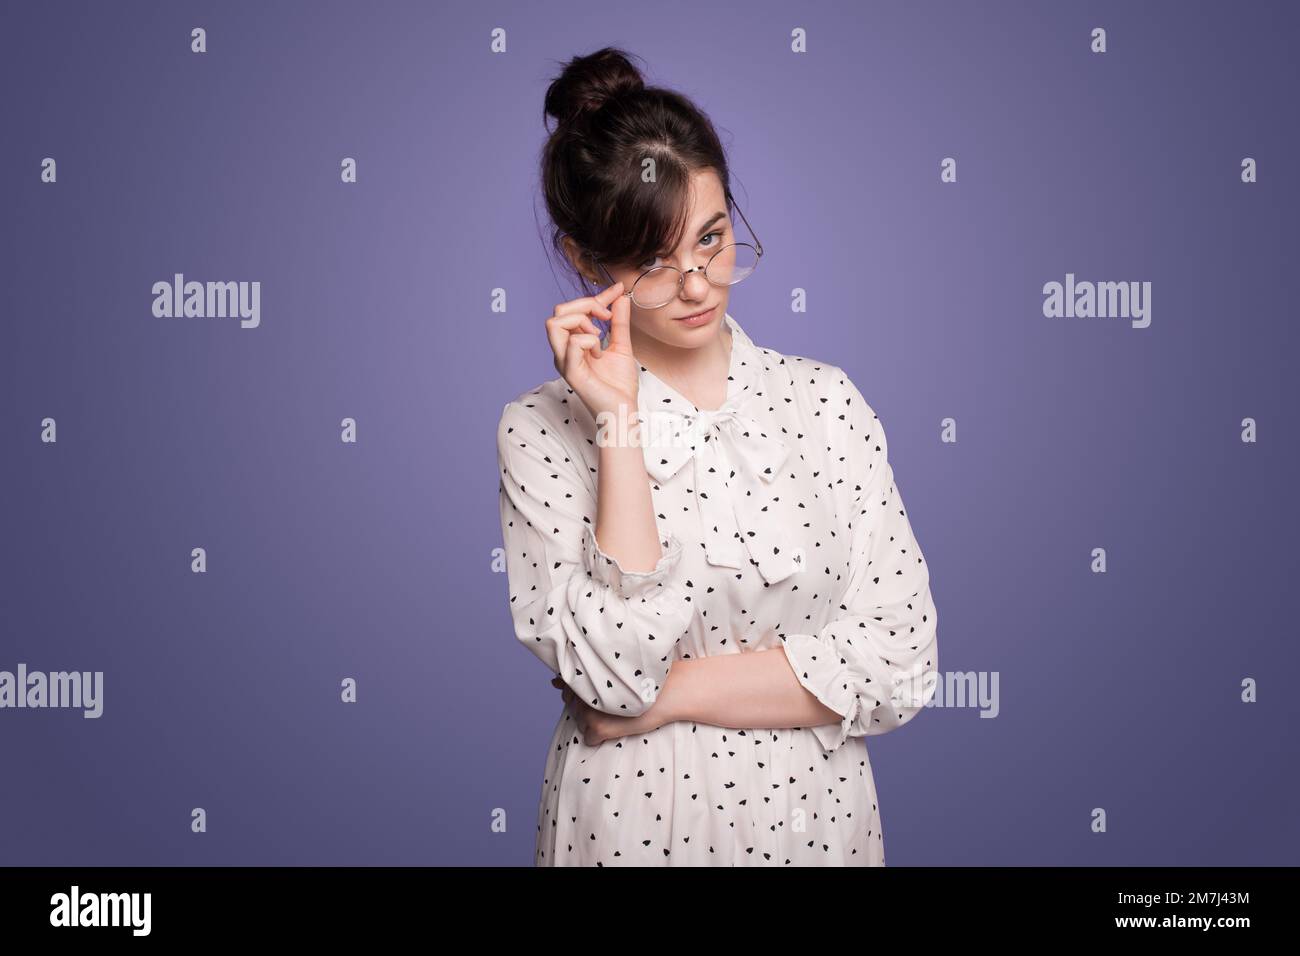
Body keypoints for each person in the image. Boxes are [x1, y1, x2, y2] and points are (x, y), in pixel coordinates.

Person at [496, 46, 938, 866]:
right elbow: (612, 677)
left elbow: (902, 665)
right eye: (654, 263)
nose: (697, 284)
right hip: (628, 828)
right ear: (586, 262)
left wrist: (666, 699)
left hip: (818, 829)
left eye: (712, 237)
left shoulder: (825, 403)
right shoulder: (539, 431)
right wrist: (618, 422)